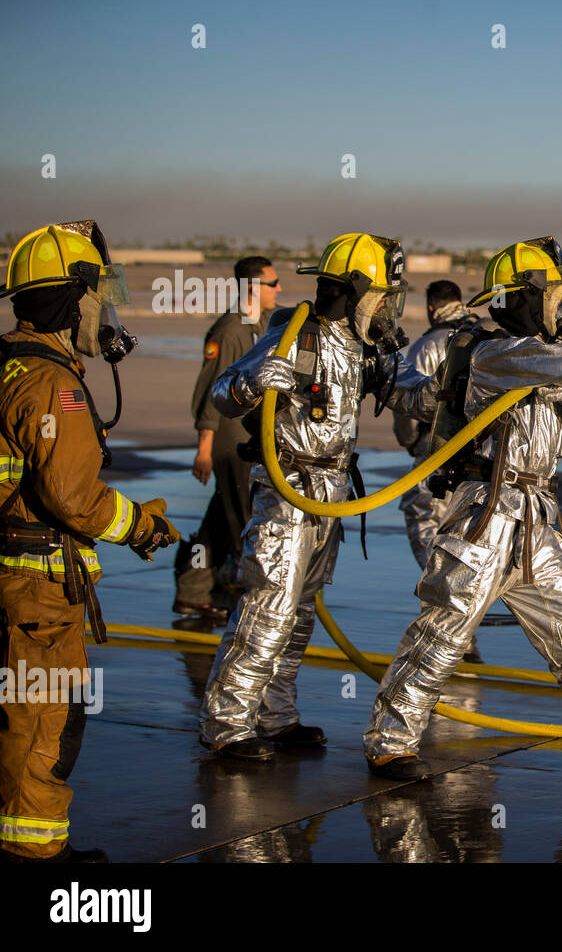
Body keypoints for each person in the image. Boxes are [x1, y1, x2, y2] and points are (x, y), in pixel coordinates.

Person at [364, 236, 562, 783]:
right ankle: (390, 742)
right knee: (444, 632)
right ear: (525, 299)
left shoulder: (557, 366)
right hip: (484, 513)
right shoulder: (498, 353)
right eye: (556, 298)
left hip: (535, 519)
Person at [199, 232, 441, 760]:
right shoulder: (295, 334)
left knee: (301, 610)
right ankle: (228, 720)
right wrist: (250, 383)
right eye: (381, 297)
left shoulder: (363, 346)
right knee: (269, 605)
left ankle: (277, 715)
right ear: (354, 291)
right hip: (286, 490)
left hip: (330, 493)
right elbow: (224, 393)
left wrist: (450, 385)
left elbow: (403, 393)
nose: (386, 311)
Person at [0, 221, 180, 862]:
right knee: (46, 720)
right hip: (38, 589)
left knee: (16, 715)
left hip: (12, 578)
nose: (105, 310)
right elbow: (72, 498)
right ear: (69, 298)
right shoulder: (55, 384)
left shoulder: (9, 364)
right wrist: (141, 525)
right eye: (98, 296)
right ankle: (33, 856)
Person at [174, 255, 283, 622]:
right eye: (273, 283)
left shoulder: (264, 323)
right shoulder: (230, 330)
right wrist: (204, 449)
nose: (279, 288)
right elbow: (211, 390)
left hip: (251, 435)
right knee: (245, 523)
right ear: (253, 288)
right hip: (229, 439)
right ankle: (259, 607)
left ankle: (192, 591)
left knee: (220, 518)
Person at [393, 279, 477, 571]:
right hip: (480, 454)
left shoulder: (428, 345)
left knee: (424, 517)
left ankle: (441, 593)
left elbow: (407, 398)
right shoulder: (484, 337)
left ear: (431, 308)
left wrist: (408, 440)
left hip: (437, 450)